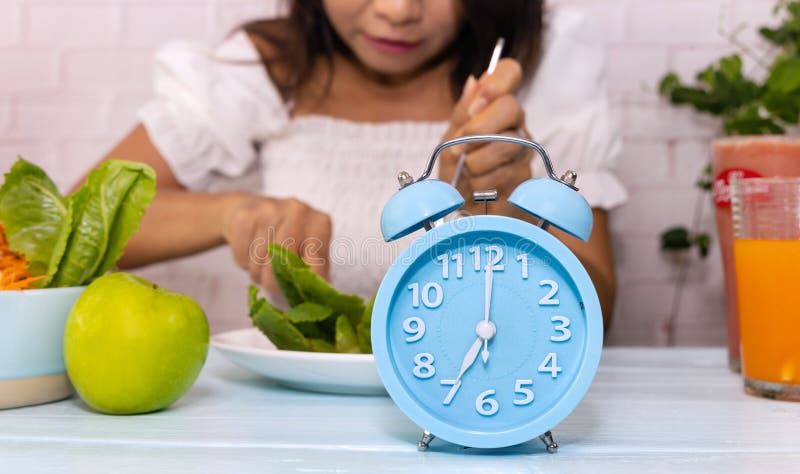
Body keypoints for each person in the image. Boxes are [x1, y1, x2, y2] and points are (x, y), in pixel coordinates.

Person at [92, 0, 626, 328]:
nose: (397, 9)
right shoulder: (269, 66)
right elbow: (79, 222)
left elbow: (595, 312)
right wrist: (230, 213)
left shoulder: (541, 67)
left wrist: (512, 208)